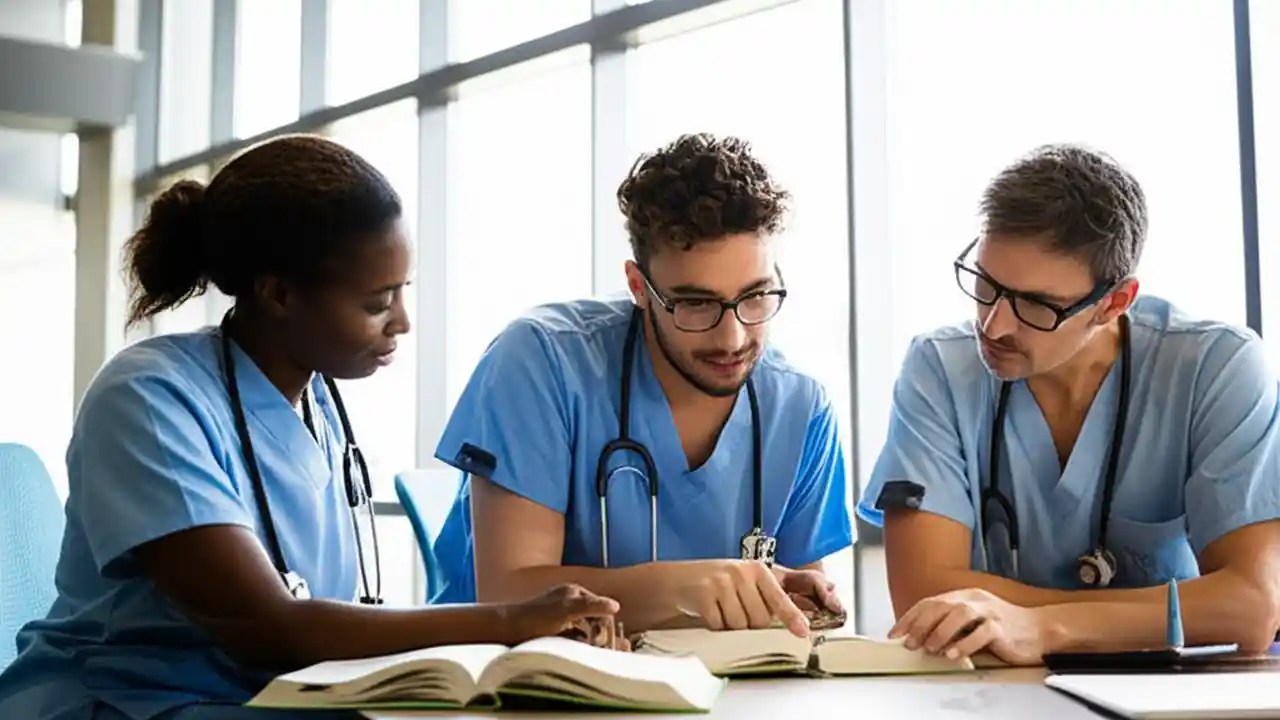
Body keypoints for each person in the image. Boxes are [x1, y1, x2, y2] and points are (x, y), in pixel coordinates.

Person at [0, 135, 621, 720]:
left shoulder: (318, 402)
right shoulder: (150, 398)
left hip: (267, 698)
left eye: (403, 291)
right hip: (122, 701)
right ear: (277, 295)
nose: (402, 321)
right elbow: (267, 627)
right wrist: (507, 620)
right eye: (377, 302)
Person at [857, 144, 1280, 665]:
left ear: (1114, 302)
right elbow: (924, 596)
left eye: (1036, 305)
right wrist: (1161, 612)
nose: (994, 326)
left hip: (1170, 691)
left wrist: (1042, 626)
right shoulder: (940, 368)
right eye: (986, 286)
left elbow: (1252, 607)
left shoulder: (1216, 367)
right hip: (992, 696)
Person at [429, 132, 854, 637]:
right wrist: (682, 588)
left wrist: (789, 599)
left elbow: (804, 629)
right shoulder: (541, 361)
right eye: (695, 303)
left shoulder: (800, 407)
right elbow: (508, 593)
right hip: (504, 690)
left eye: (756, 296)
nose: (733, 337)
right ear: (638, 286)